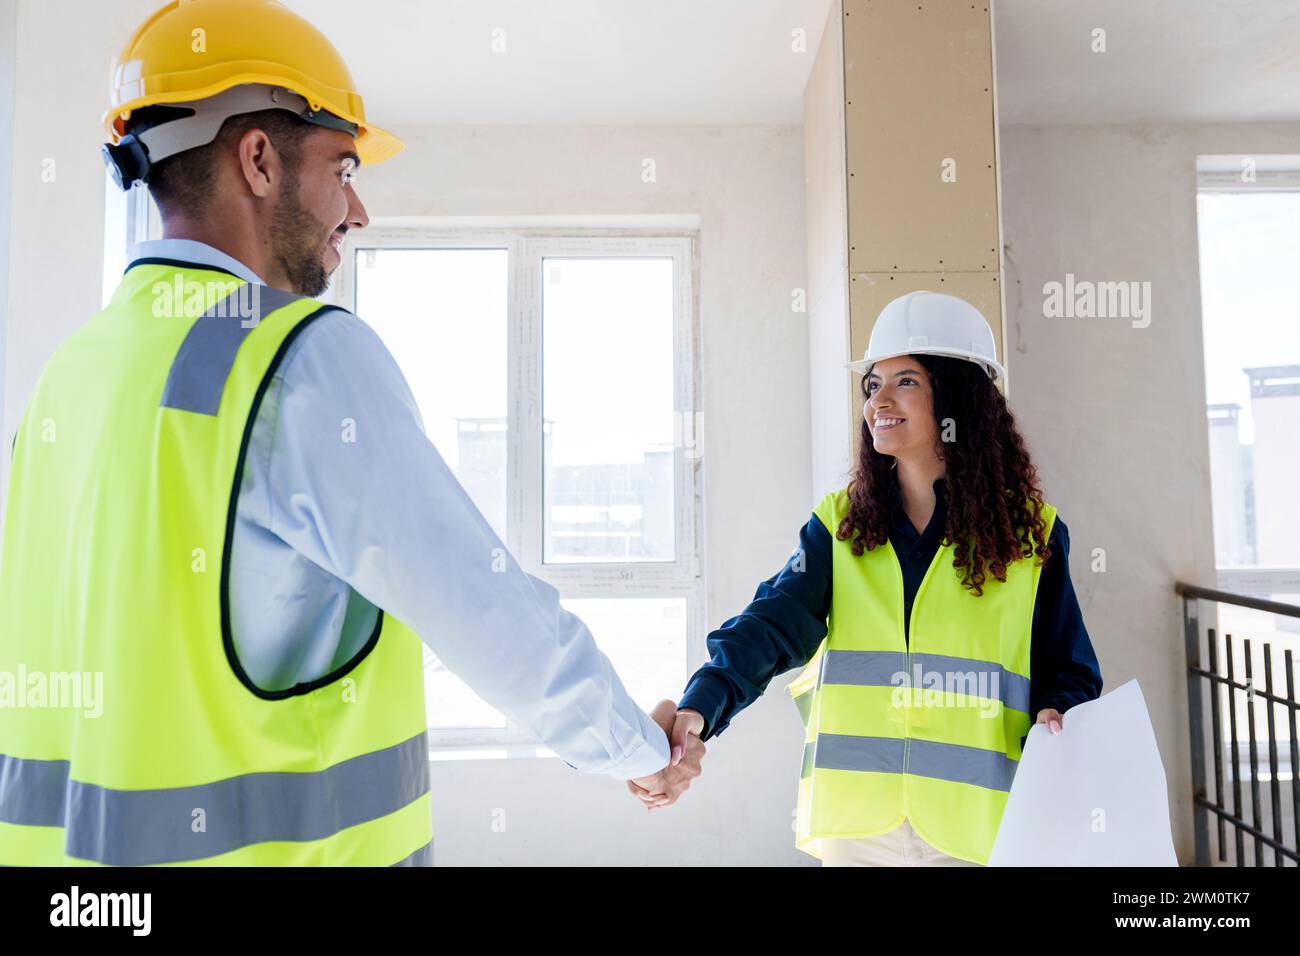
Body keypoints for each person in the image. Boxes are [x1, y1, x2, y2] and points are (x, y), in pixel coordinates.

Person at [0, 0, 700, 866]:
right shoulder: (294, 355)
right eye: (343, 166)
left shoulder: (67, 379)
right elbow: (483, 611)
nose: (357, 209)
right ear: (258, 159)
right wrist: (639, 749)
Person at [633, 291, 1103, 866]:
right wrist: (698, 710)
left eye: (905, 381)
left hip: (975, 828)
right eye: (872, 384)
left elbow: (1070, 669)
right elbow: (770, 627)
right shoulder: (840, 526)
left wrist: (1059, 710)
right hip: (858, 826)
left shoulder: (1032, 536)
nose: (878, 399)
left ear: (958, 400)